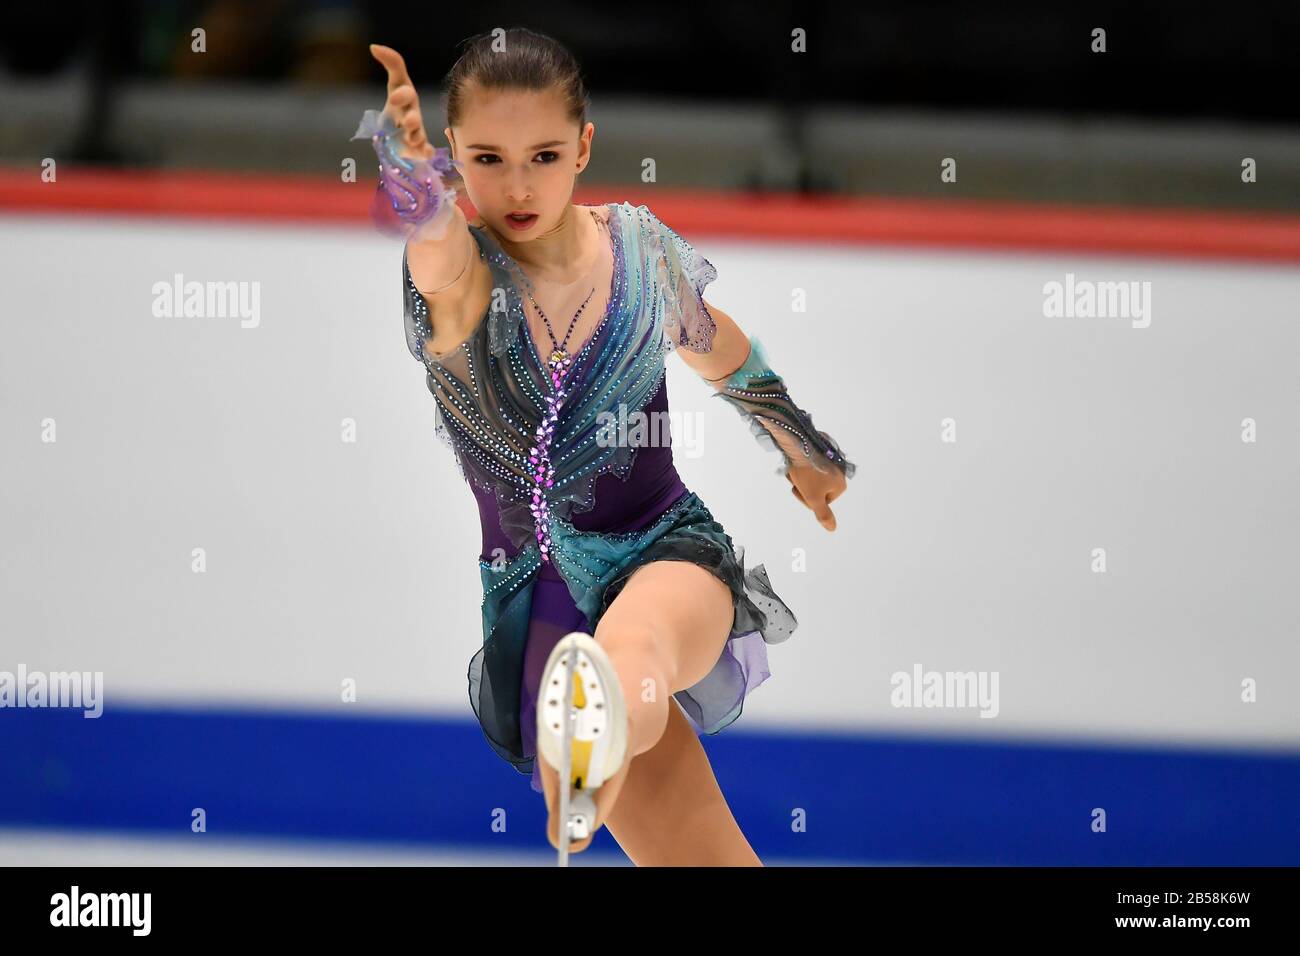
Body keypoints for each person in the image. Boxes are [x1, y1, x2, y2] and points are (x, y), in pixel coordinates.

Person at [359, 28, 854, 865]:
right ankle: (589, 731)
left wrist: (800, 446)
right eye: (486, 158)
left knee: (639, 643)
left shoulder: (636, 248)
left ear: (583, 147)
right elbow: (437, 253)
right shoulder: (460, 281)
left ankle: (594, 728)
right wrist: (418, 191)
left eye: (543, 156)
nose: (516, 185)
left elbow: (719, 349)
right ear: (452, 153)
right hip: (543, 605)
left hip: (666, 551)